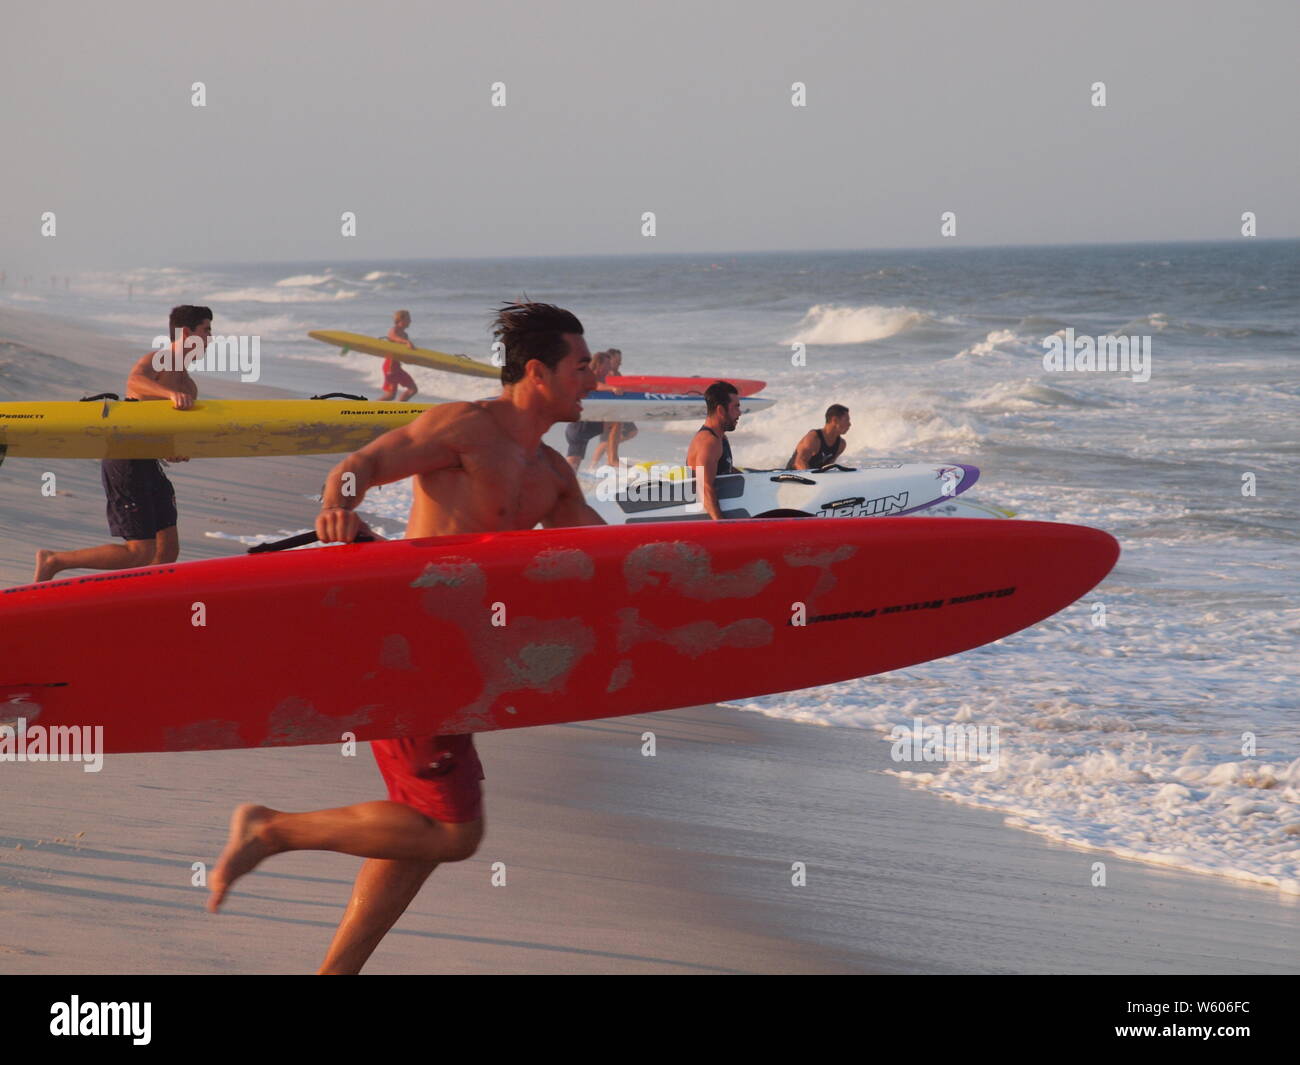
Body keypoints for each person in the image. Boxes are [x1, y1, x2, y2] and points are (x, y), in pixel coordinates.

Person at [207, 302, 606, 974]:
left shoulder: (552, 477)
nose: (592, 376)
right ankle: (269, 828)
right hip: (407, 641)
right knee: (454, 832)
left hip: (456, 662)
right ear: (538, 371)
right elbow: (360, 463)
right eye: (581, 364)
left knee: (422, 826)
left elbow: (610, 556)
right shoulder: (466, 428)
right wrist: (342, 502)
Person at [32, 305, 208, 583]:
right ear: (187, 333)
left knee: (167, 549)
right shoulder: (159, 360)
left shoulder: (189, 386)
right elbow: (135, 382)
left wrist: (174, 452)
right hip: (125, 455)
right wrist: (169, 393)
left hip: (150, 461)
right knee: (139, 551)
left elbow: (169, 431)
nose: (211, 338)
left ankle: (142, 598)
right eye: (207, 331)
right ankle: (54, 560)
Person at [684, 380, 742, 521]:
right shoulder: (708, 441)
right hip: (702, 514)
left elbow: (724, 469)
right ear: (721, 410)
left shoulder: (720, 437)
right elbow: (704, 487)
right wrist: (721, 525)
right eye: (736, 407)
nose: (739, 413)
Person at [564, 349, 611, 469]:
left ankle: (566, 481)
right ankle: (612, 458)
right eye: (607, 365)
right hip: (580, 427)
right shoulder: (590, 377)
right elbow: (594, 385)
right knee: (616, 423)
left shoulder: (600, 379)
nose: (609, 368)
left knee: (574, 463)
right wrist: (613, 388)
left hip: (580, 428)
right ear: (599, 365)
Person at [590, 348, 638, 468]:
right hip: (606, 410)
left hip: (617, 409)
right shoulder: (606, 375)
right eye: (617, 361)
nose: (620, 364)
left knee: (631, 431)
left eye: (620, 361)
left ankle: (610, 455)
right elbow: (596, 385)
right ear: (609, 361)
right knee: (605, 440)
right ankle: (594, 465)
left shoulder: (617, 374)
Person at [786, 404, 851, 470]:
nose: (849, 424)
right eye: (847, 420)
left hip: (815, 478)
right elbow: (799, 463)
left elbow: (827, 468)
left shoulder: (841, 445)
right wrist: (814, 479)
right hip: (792, 477)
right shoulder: (813, 438)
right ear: (835, 420)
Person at [380, 310, 419, 401]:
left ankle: (398, 409)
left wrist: (410, 359)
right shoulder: (394, 330)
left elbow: (403, 352)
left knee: (412, 389)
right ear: (401, 319)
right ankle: (370, 410)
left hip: (397, 367)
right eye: (408, 318)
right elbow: (394, 337)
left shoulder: (405, 335)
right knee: (390, 395)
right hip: (390, 366)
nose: (410, 321)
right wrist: (406, 342)